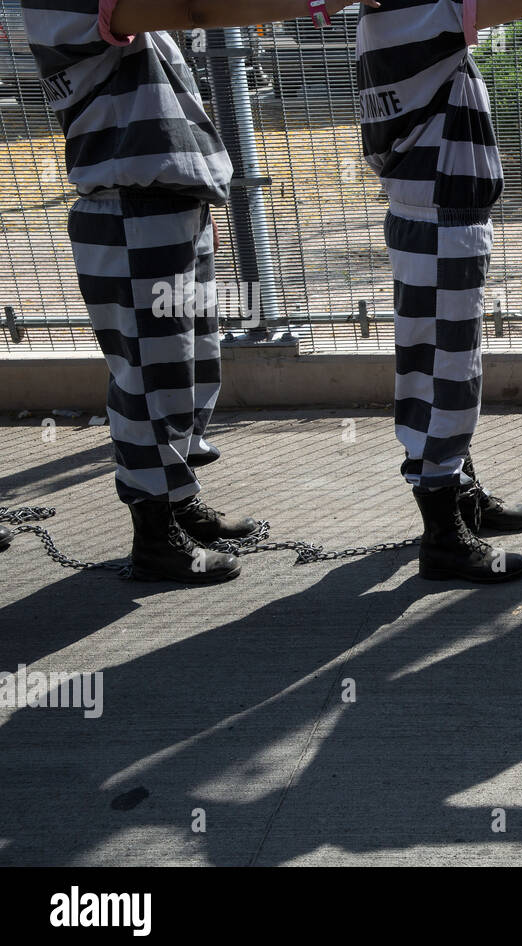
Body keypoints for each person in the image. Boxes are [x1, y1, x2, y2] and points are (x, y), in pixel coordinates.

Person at [21, 0, 375, 584]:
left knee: (186, 371)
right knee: (151, 381)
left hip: (162, 206)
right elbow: (195, 6)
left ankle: (178, 503)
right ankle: (155, 534)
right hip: (134, 211)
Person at [355, 0, 522, 584]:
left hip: (429, 213)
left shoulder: (388, 19)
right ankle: (444, 536)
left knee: (440, 365)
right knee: (447, 376)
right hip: (439, 219)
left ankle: (459, 497)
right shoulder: (419, 15)